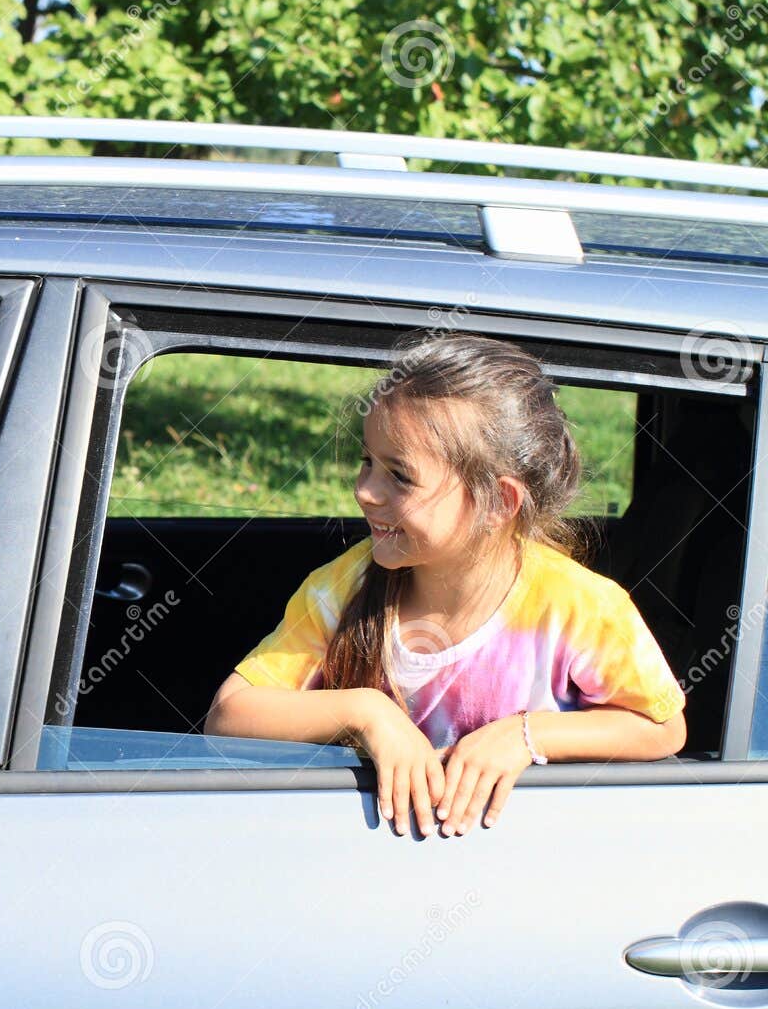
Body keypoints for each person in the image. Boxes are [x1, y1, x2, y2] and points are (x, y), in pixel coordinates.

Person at [204, 333, 686, 838]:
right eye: (368, 461)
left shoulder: (579, 608)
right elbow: (230, 714)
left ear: (498, 503)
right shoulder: (342, 587)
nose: (364, 490)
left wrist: (526, 736)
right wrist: (370, 714)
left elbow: (663, 727)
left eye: (400, 476)